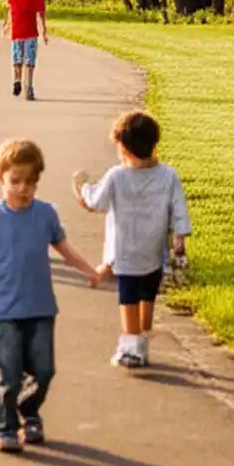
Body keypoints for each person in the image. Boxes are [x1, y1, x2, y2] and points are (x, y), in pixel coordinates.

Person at [0, 139, 101, 453]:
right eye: (15, 181)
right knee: (8, 373)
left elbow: (63, 247)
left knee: (44, 370)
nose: (23, 188)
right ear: (1, 179)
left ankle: (29, 410)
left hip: (41, 307)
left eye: (30, 182)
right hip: (5, 309)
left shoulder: (45, 213)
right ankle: (5, 426)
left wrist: (89, 269)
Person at [71, 110, 192, 369]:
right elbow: (178, 208)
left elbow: (97, 202)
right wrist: (179, 237)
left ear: (122, 146)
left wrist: (82, 188)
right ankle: (142, 337)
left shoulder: (117, 176)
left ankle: (132, 347)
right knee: (147, 297)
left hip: (125, 254)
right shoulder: (168, 175)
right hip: (154, 253)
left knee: (128, 300)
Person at [4, 0, 48, 101]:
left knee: (30, 62)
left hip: (31, 35)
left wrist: (44, 33)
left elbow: (42, 16)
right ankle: (17, 81)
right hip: (17, 34)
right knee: (17, 60)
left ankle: (29, 87)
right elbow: (11, 11)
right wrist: (7, 25)